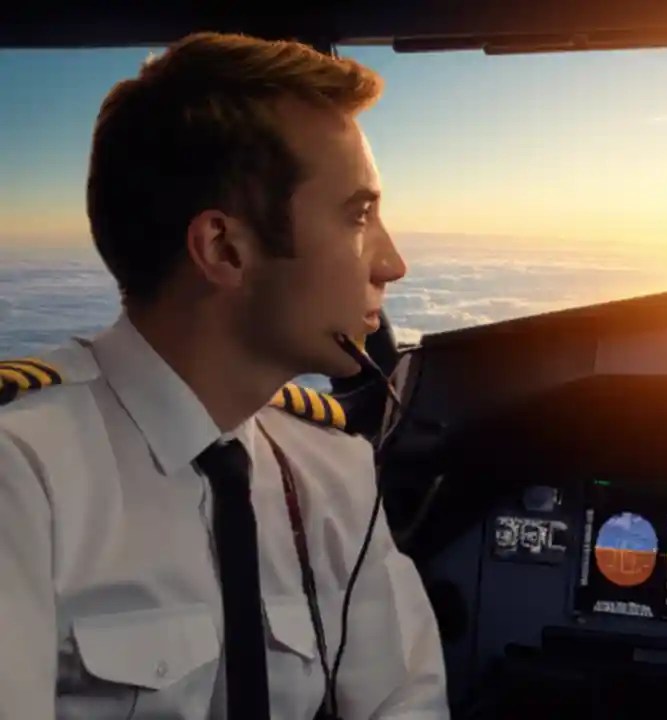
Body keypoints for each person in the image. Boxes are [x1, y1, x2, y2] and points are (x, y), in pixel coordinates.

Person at [0, 32, 449, 719]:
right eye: (358, 216)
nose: (392, 263)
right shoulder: (23, 478)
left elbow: (405, 702)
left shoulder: (333, 471)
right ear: (224, 248)